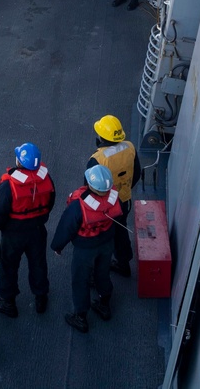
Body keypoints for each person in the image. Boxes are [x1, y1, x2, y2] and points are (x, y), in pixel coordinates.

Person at [50, 165, 122, 333]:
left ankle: (81, 316)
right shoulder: (114, 198)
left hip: (85, 249)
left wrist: (57, 246)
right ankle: (104, 304)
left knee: (80, 280)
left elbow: (66, 227)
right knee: (103, 273)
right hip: (106, 244)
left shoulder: (78, 206)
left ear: (90, 184)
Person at [0, 142, 56, 318]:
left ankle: (8, 302)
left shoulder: (9, 186)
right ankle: (41, 297)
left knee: (9, 267)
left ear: (19, 162)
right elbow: (50, 203)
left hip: (13, 234)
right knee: (38, 264)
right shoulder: (46, 179)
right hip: (37, 231)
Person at [87, 115, 140, 277]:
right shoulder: (130, 148)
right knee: (121, 231)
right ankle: (124, 263)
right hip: (124, 200)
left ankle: (97, 270)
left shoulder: (97, 159)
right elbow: (137, 173)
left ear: (101, 137)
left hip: (104, 206)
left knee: (100, 235)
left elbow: (89, 187)